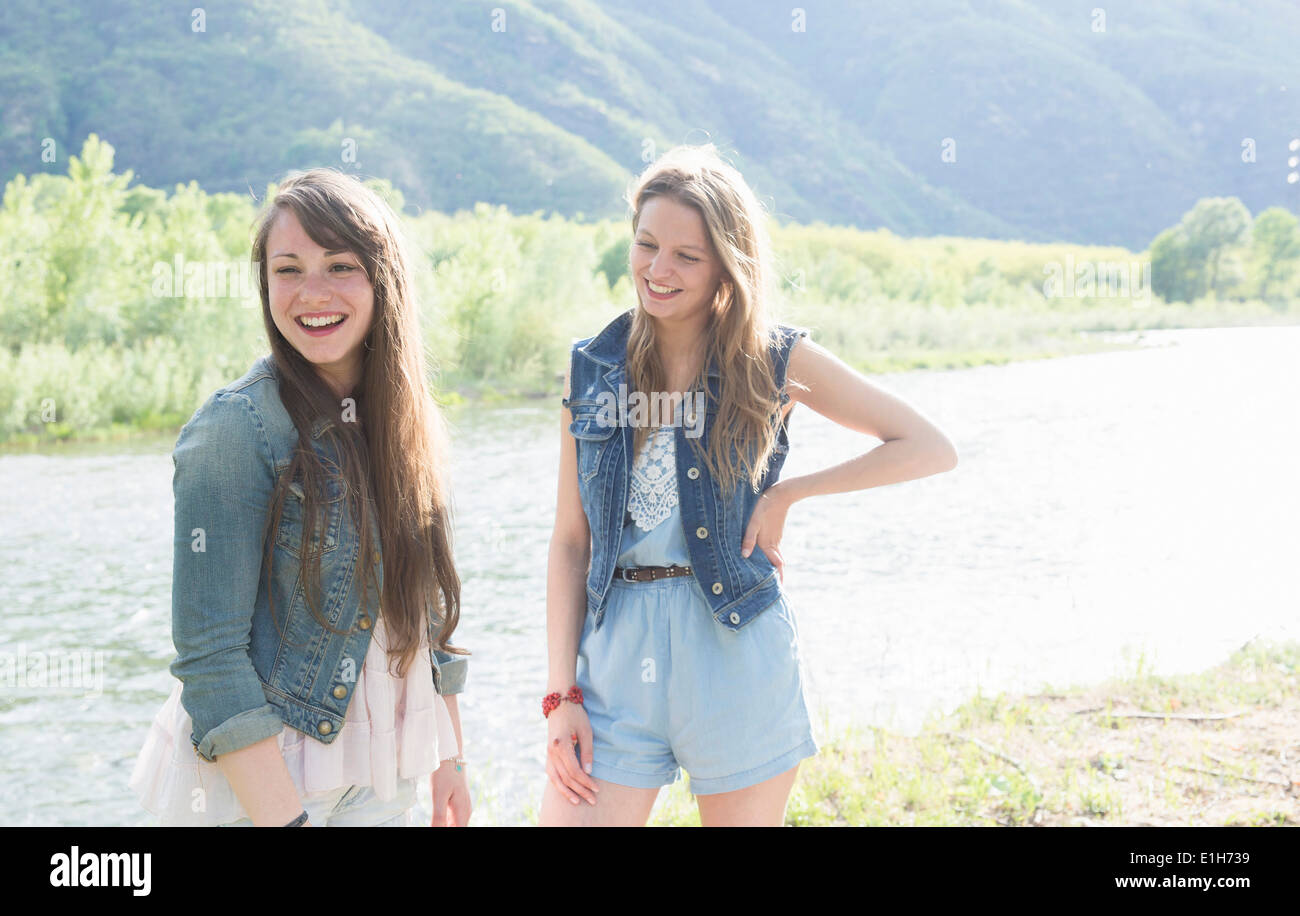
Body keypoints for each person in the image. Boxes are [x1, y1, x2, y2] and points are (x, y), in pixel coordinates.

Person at [540, 144, 959, 826]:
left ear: (726, 265)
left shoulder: (772, 360)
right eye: (647, 245)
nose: (658, 269)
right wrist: (561, 695)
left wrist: (788, 494)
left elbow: (928, 447)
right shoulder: (591, 371)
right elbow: (569, 543)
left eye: (687, 255)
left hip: (734, 651)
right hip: (614, 662)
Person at [129, 168, 471, 826]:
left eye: (339, 265)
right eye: (288, 269)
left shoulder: (405, 417)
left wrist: (450, 760)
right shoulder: (234, 431)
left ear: (382, 279)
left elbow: (424, 601)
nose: (310, 293)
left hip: (382, 766)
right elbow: (211, 661)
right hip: (265, 783)